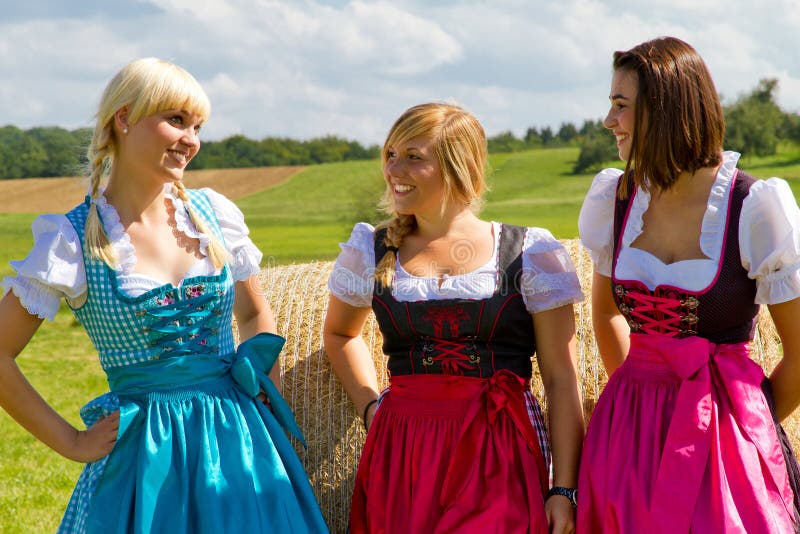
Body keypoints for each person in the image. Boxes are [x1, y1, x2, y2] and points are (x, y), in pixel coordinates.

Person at [0, 58, 328, 533]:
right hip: (145, 458)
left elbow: (256, 313)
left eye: (197, 126)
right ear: (125, 118)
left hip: (238, 444)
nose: (191, 139)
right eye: (176, 120)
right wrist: (72, 442)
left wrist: (262, 393)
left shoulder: (213, 215)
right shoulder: (72, 241)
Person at [323, 102, 585, 534]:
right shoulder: (370, 250)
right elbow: (339, 333)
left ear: (458, 168)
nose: (394, 169)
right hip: (404, 449)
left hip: (499, 448)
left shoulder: (528, 253)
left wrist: (564, 490)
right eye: (390, 154)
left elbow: (561, 379)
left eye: (413, 157)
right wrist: (372, 409)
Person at [577, 36, 800, 533]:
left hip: (726, 438)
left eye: (620, 105)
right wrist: (632, 399)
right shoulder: (614, 198)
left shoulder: (755, 206)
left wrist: (745, 425)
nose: (608, 120)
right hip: (627, 438)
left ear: (665, 110)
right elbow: (607, 311)